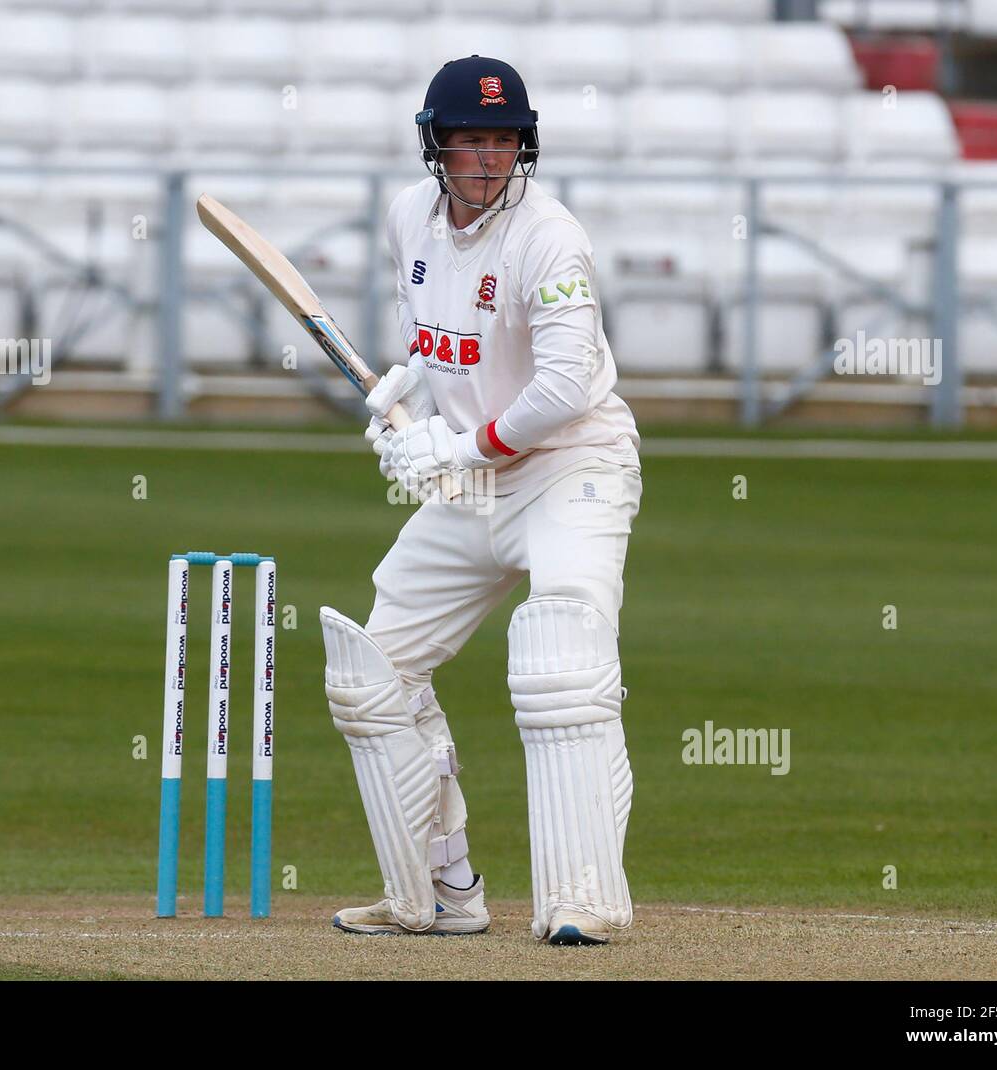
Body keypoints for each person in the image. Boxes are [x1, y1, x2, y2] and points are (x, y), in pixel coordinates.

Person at [319, 56, 642, 946]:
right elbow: (440, 344)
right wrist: (407, 406)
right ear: (437, 143)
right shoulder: (405, 220)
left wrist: (457, 446)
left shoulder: (550, 238)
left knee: (563, 662)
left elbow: (566, 387)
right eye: (472, 140)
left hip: (572, 467)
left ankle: (584, 899)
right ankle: (440, 889)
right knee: (373, 673)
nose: (489, 158)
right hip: (477, 475)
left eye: (505, 140)